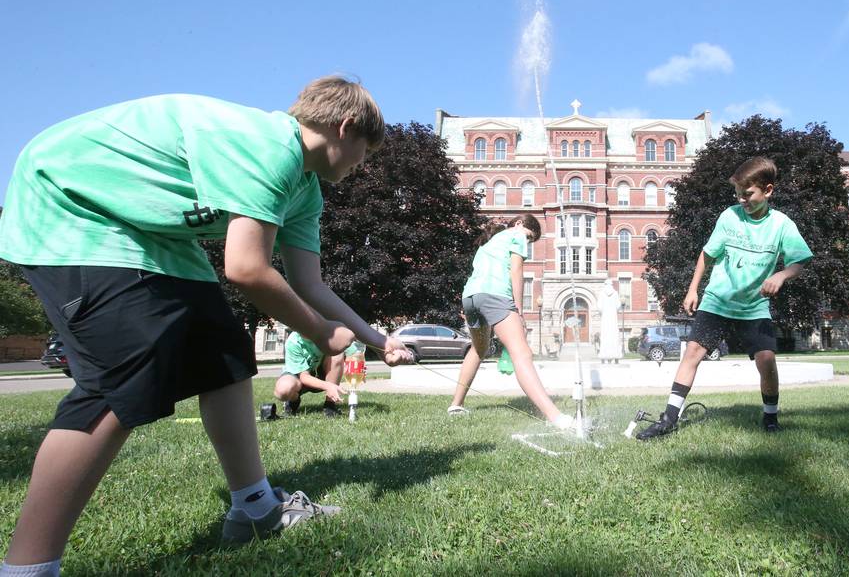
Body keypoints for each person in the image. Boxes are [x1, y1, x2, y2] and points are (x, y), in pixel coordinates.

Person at [0, 75, 414, 575]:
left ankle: (255, 510)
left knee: (224, 357)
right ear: (345, 127)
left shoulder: (305, 191)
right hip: (72, 205)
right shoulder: (268, 146)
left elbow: (311, 285)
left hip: (152, 233)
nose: (360, 168)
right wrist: (321, 333)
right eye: (364, 154)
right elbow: (247, 269)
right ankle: (28, 567)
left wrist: (376, 339)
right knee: (119, 382)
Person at [637, 157, 812, 440]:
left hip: (754, 306)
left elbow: (800, 261)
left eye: (748, 194)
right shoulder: (729, 216)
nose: (742, 199)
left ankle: (770, 418)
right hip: (717, 300)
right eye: (738, 194)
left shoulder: (782, 225)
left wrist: (781, 276)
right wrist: (693, 289)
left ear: (768, 190)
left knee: (766, 360)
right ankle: (668, 418)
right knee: (693, 352)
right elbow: (707, 254)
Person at [446, 214, 573, 430]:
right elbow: (517, 271)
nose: (529, 242)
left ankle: (456, 405)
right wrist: (519, 311)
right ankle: (557, 418)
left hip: (470, 297)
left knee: (479, 349)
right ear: (520, 224)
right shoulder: (516, 235)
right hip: (495, 296)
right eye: (530, 237)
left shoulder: (488, 243)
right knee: (522, 354)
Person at [275, 331, 358, 417]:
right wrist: (328, 386)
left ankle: (330, 405)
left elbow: (353, 354)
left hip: (322, 374)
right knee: (283, 390)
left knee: (337, 354)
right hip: (299, 377)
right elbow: (304, 376)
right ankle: (293, 401)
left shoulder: (329, 332)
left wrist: (358, 369)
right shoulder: (293, 341)